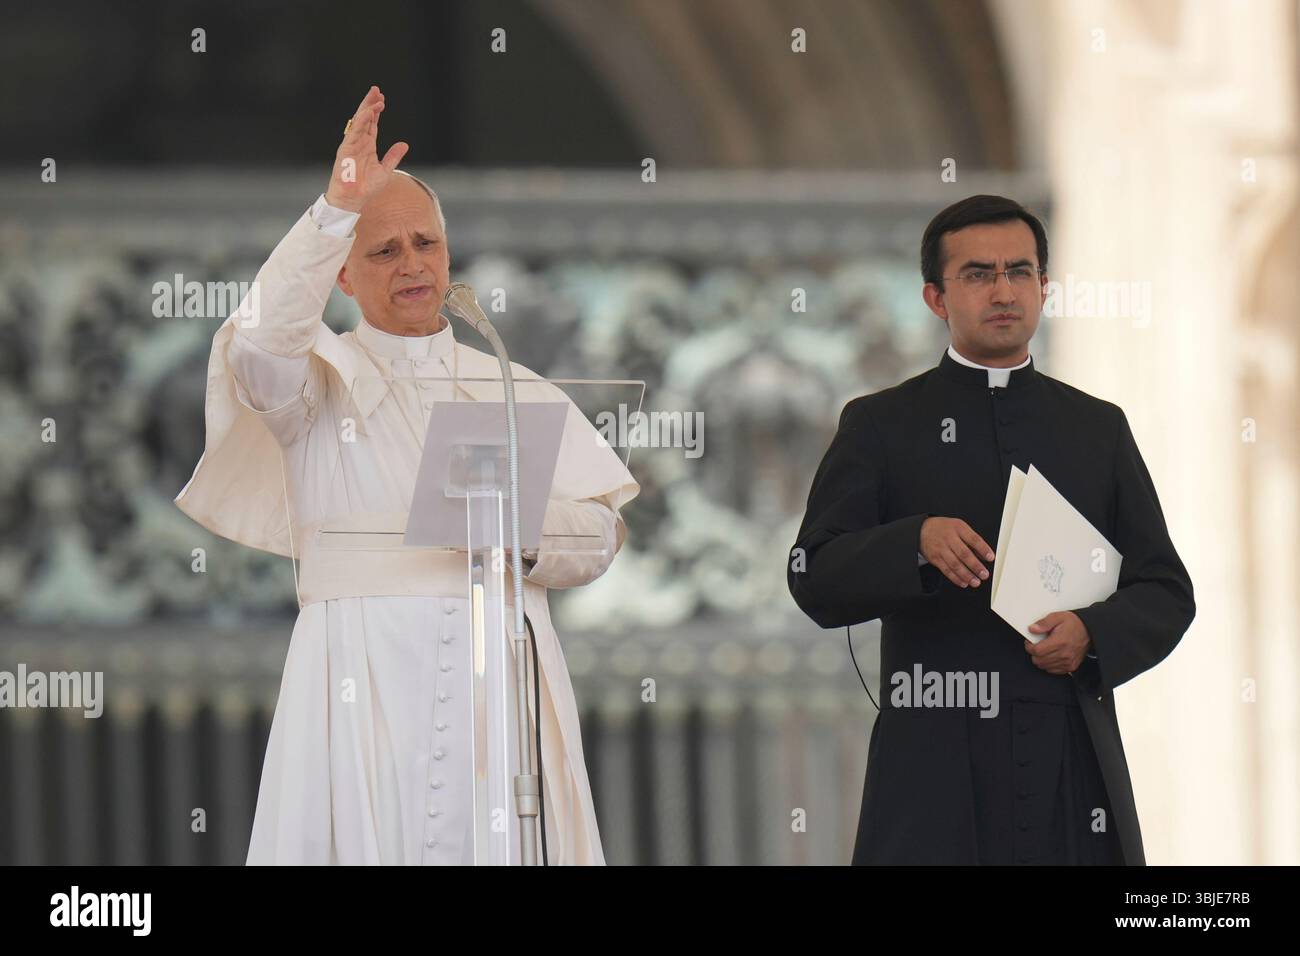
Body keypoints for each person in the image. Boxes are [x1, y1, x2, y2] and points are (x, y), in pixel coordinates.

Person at [175, 86, 638, 865]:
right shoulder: (312, 383)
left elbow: (599, 532)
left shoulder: (508, 380)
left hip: (502, 676)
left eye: (425, 244)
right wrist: (334, 209)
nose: (413, 264)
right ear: (344, 278)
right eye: (384, 252)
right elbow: (257, 345)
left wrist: (514, 529)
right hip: (362, 672)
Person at [788, 194, 1194, 865]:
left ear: (1044, 288)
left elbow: (1166, 590)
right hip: (932, 760)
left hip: (1066, 751)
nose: (1003, 290)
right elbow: (813, 575)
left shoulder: (1098, 428)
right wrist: (912, 542)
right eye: (978, 274)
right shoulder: (881, 425)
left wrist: (1094, 633)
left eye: (1020, 272)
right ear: (935, 298)